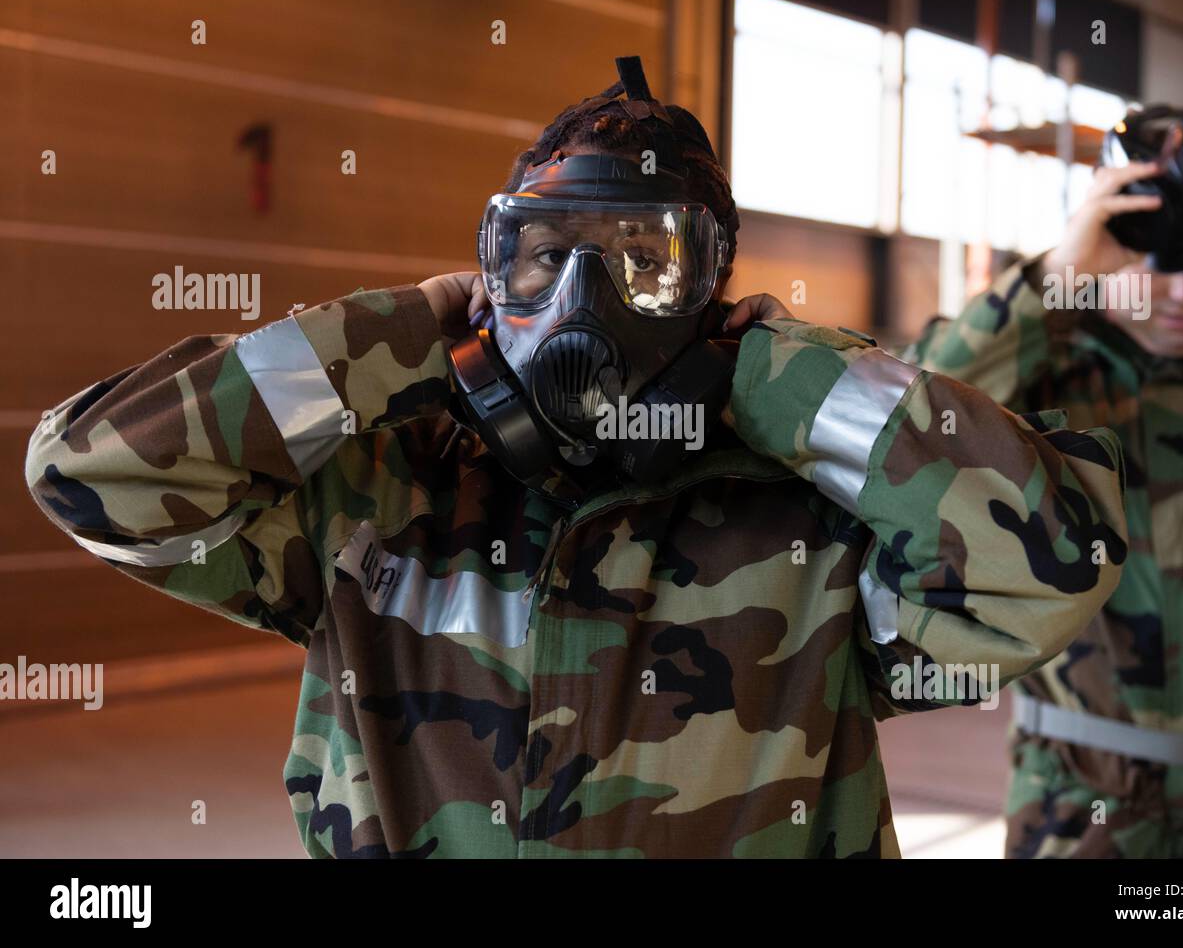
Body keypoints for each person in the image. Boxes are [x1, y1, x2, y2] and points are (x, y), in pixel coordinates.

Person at [26, 57, 1126, 858]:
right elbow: (89, 472)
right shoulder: (376, 490)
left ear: (713, 295)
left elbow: (1049, 566)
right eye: (542, 258)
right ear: (485, 276)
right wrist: (407, 330)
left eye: (644, 264)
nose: (580, 303)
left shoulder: (811, 519)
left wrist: (773, 376)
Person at [908, 106, 1183, 858]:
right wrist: (1056, 278)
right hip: (1083, 817)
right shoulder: (1047, 367)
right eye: (1159, 262)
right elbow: (912, 421)